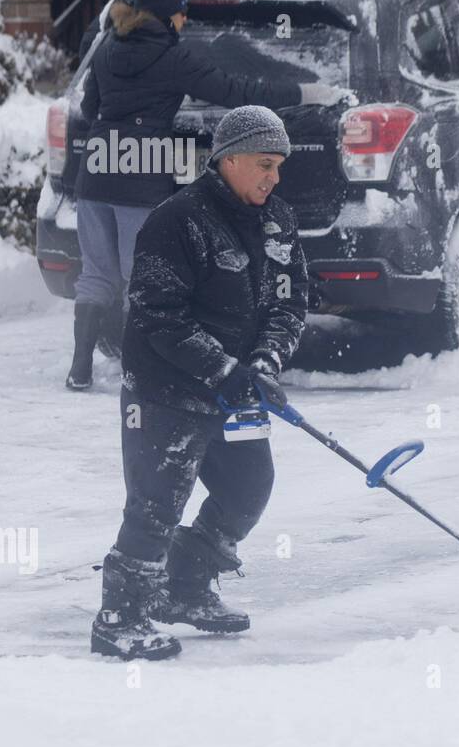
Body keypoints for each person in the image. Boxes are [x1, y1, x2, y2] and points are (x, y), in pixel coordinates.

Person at [91, 106, 308, 660]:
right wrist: (224, 371)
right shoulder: (176, 221)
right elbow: (158, 316)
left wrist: (262, 366)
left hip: (235, 388)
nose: (273, 177)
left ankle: (186, 585)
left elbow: (288, 304)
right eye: (263, 164)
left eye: (278, 165)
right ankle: (121, 618)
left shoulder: (277, 220)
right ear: (227, 160)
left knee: (247, 488)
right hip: (167, 390)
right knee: (156, 502)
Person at [66, 0, 342, 391]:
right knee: (139, 276)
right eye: (182, 15)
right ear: (167, 16)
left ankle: (79, 371)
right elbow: (236, 90)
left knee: (96, 274)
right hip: (141, 172)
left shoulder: (106, 46)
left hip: (97, 169)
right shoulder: (173, 57)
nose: (185, 22)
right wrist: (304, 93)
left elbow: (89, 108)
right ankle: (134, 372)